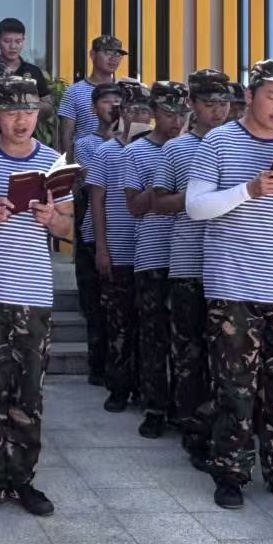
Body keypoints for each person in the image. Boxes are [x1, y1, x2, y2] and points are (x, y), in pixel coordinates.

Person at [186, 58, 273, 510]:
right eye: (272, 97)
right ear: (249, 96)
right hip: (233, 283)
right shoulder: (219, 141)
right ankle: (230, 471)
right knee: (234, 386)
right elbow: (195, 207)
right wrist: (248, 189)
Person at [0, 75, 74, 515]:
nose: (21, 121)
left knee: (29, 392)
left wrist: (51, 219)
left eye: (28, 112)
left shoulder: (53, 162)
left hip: (33, 293)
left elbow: (69, 228)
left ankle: (22, 479)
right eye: (11, 112)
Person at [150, 69, 229, 465]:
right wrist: (199, 196)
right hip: (188, 263)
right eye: (209, 104)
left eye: (224, 104)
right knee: (190, 351)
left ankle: (224, 429)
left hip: (230, 267)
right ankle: (192, 430)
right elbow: (157, 203)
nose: (218, 111)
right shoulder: (177, 149)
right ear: (193, 105)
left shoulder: (236, 145)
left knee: (226, 356)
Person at [126, 81, 188, 439]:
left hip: (189, 255)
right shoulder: (136, 152)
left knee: (186, 338)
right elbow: (134, 207)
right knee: (153, 335)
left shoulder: (196, 147)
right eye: (168, 113)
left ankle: (183, 407)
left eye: (182, 113)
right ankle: (154, 407)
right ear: (153, 114)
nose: (176, 121)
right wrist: (163, 183)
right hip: (152, 253)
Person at [87, 84, 147, 412]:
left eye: (145, 110)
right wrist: (101, 247)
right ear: (122, 112)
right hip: (118, 247)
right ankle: (118, 387)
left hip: (149, 250)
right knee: (118, 323)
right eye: (134, 110)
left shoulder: (160, 149)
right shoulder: (107, 151)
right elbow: (96, 201)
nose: (140, 116)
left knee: (147, 325)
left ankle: (144, 388)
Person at [71, 82, 122, 388]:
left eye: (118, 100)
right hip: (93, 230)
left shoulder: (135, 142)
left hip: (125, 233)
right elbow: (91, 179)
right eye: (106, 101)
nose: (113, 106)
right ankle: (98, 366)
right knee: (94, 303)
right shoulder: (86, 143)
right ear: (93, 108)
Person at [58, 35, 127, 152]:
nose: (114, 58)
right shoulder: (74, 92)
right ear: (92, 54)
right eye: (108, 52)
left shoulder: (125, 90)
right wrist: (69, 163)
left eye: (118, 54)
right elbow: (66, 136)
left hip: (121, 157)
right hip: (85, 155)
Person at [0, 18, 51, 94]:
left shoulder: (34, 72)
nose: (13, 46)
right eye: (7, 41)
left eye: (18, 41)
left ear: (23, 40)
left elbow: (46, 100)